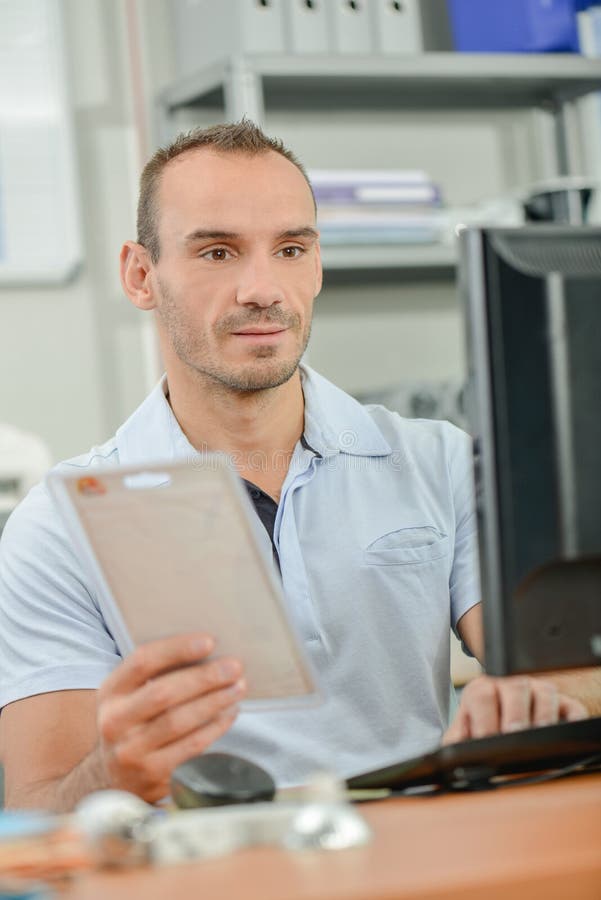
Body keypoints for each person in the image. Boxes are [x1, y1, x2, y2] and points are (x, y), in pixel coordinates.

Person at [0, 122, 598, 812]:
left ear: (315, 266)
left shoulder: (438, 461)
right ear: (141, 275)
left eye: (290, 248)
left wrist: (544, 693)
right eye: (217, 251)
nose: (262, 288)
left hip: (423, 849)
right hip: (206, 870)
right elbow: (39, 807)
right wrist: (113, 770)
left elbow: (569, 668)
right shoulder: (59, 523)